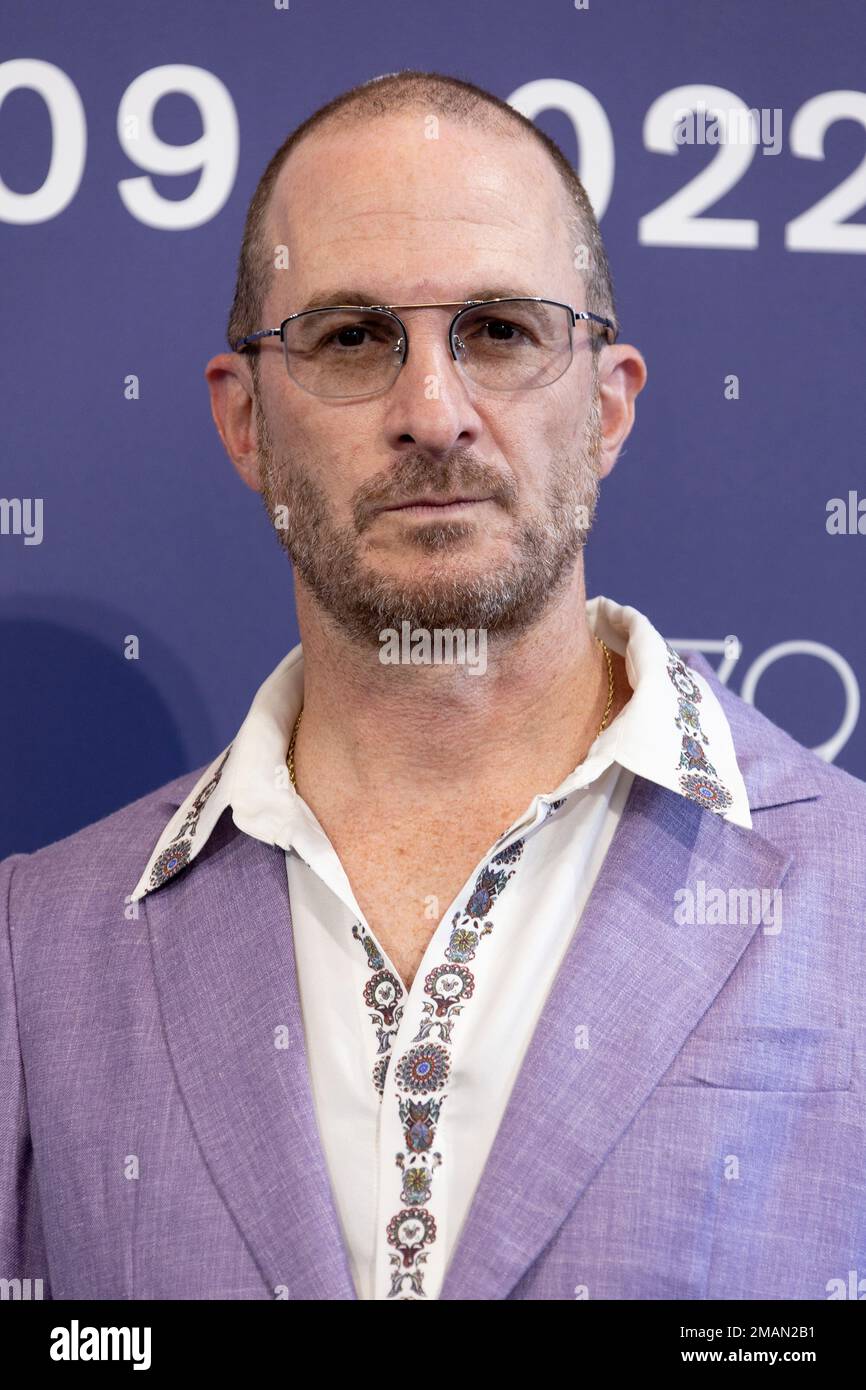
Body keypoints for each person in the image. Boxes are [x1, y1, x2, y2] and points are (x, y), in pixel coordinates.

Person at [2, 70, 864, 1303]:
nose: (431, 410)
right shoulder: (39, 946)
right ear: (244, 424)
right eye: (352, 338)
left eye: (500, 332)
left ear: (609, 407)